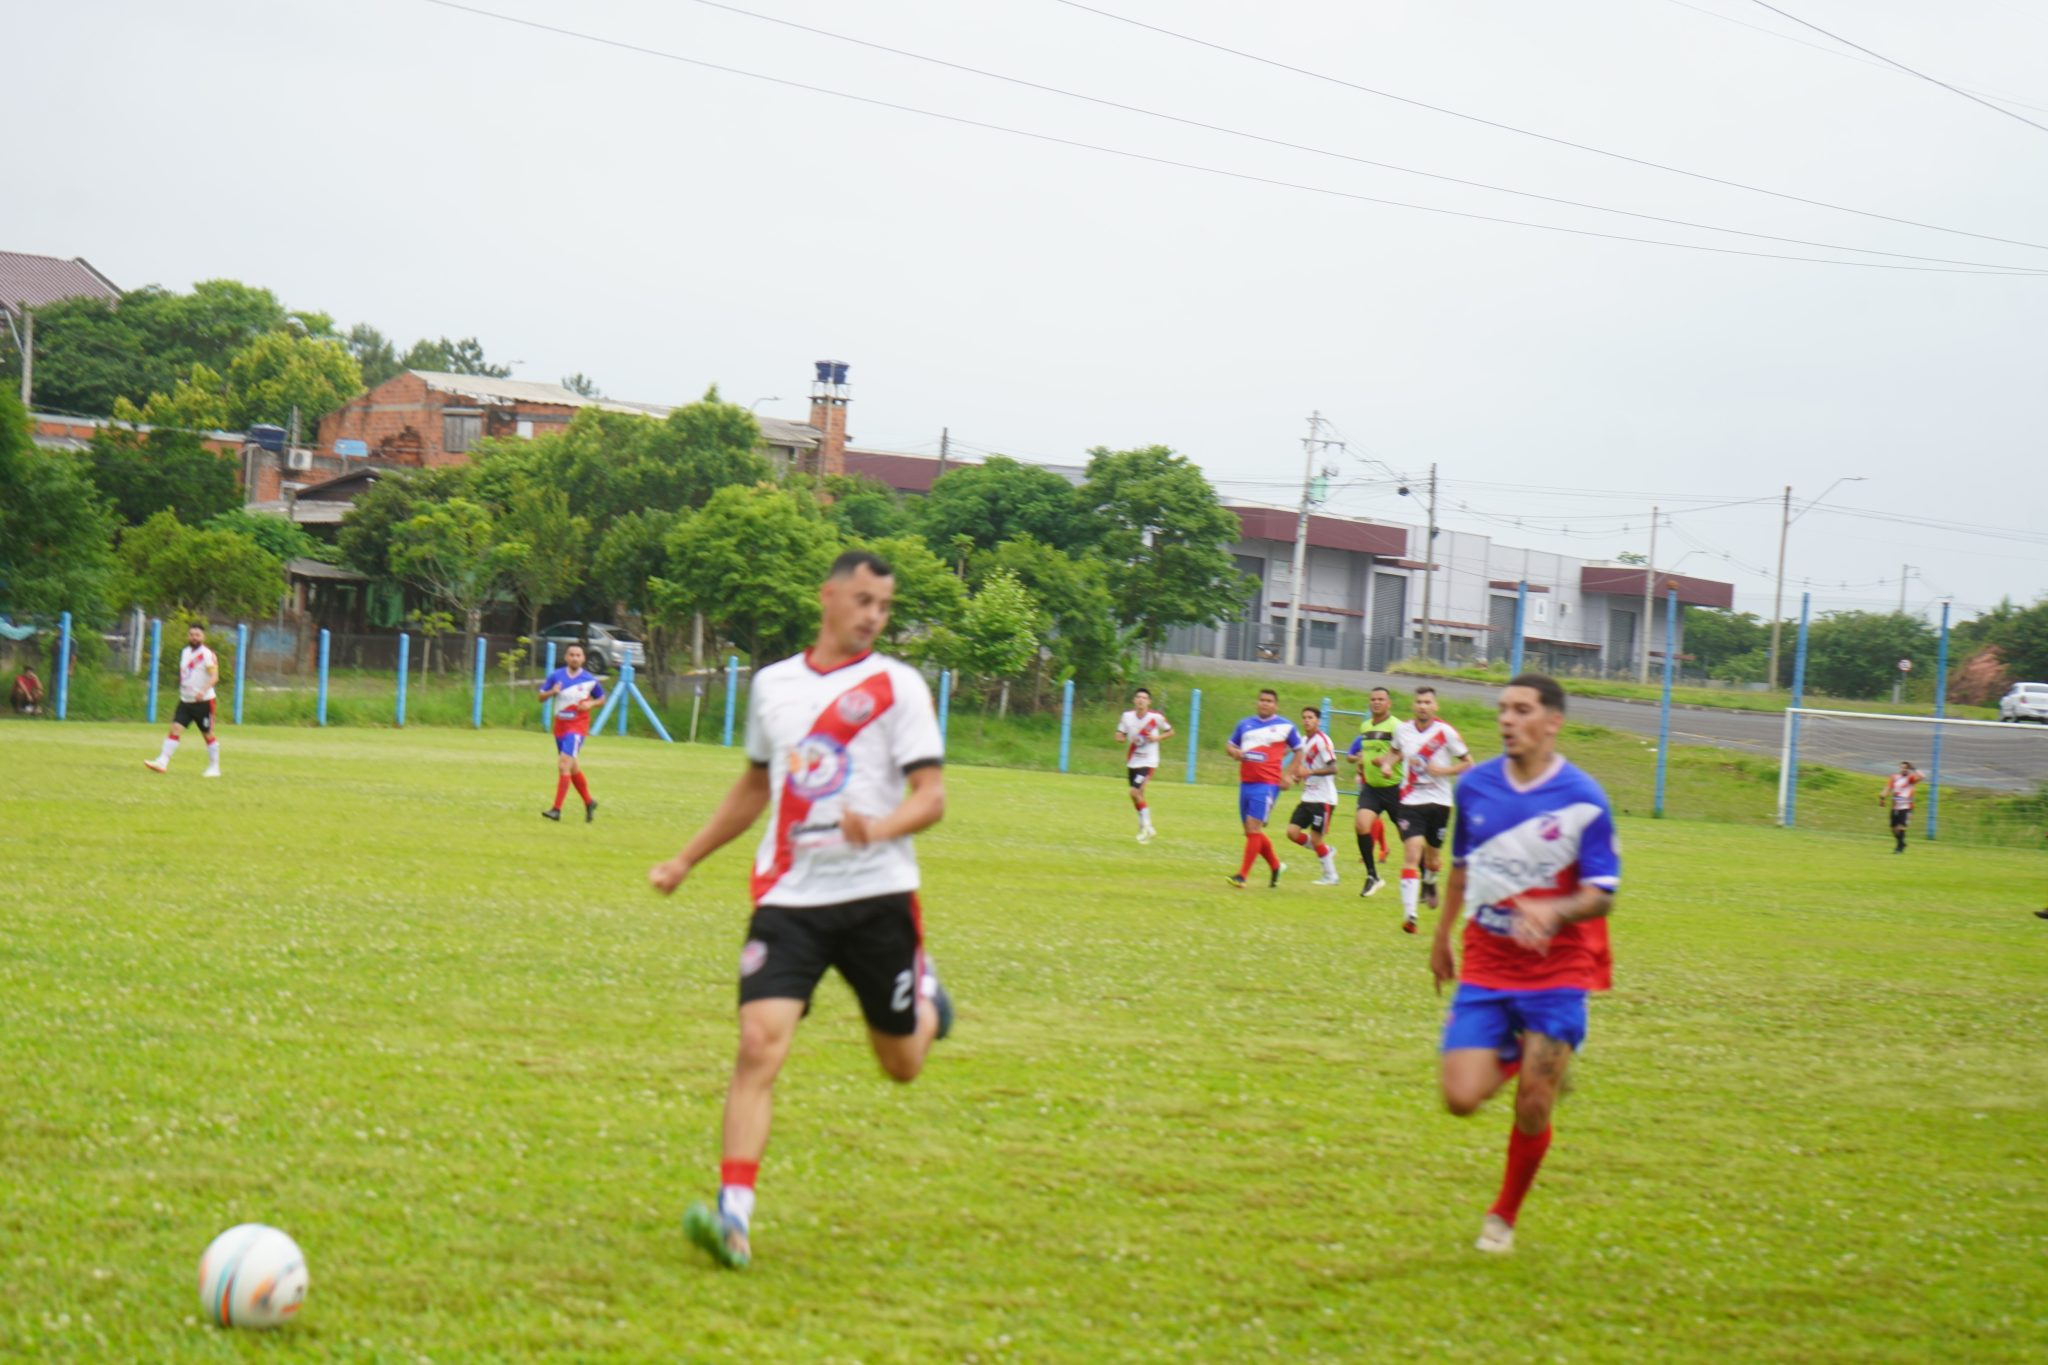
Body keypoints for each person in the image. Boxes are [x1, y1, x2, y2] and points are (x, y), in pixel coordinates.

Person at [647, 550, 954, 1271]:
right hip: (789, 898)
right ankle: (734, 1215)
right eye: (863, 600)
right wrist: (686, 858)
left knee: (903, 1063)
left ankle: (930, 994)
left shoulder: (898, 686)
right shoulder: (774, 686)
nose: (873, 615)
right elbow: (756, 785)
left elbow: (931, 797)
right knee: (758, 1042)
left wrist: (875, 828)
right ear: (828, 596)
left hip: (878, 897)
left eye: (884, 605)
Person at [1431, 673, 1620, 1254]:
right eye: (1502, 710)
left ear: (1552, 721)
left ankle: (1503, 1216)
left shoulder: (1584, 799)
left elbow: (1603, 891)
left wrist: (1555, 910)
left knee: (1535, 1102)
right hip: (1487, 964)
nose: (1507, 720)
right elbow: (1463, 867)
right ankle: (1529, 1052)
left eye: (1521, 709)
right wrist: (1441, 937)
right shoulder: (1476, 787)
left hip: (1557, 971)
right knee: (1460, 1099)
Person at [1377, 686, 1473, 932]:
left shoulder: (1446, 733)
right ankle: (1410, 916)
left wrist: (1443, 771)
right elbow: (1394, 753)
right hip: (1410, 801)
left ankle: (1430, 881)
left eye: (1427, 702)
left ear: (1435, 706)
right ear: (1413, 705)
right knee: (1412, 853)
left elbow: (1467, 763)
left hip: (1439, 803)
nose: (1422, 706)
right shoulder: (1403, 730)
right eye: (1419, 702)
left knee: (1433, 859)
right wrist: (1388, 765)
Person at [1224, 688, 1301, 888]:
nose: (1265, 703)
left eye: (1269, 701)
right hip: (1246, 783)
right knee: (1251, 832)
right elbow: (1229, 745)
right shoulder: (1245, 724)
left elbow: (1299, 750)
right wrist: (1234, 752)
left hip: (1267, 784)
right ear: (1257, 703)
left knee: (1253, 827)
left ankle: (1242, 876)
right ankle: (1275, 866)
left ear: (1276, 705)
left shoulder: (1285, 726)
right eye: (1262, 700)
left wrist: (1289, 774)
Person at [1345, 686, 1403, 899]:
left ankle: (1425, 876)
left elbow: (1405, 751)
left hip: (1394, 787)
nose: (1376, 702)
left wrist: (1388, 762)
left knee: (1408, 836)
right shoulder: (1365, 726)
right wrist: (1362, 764)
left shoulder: (1397, 726)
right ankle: (1372, 876)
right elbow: (1366, 753)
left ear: (1389, 703)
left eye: (1381, 699)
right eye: (1373, 699)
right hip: (1371, 788)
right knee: (1361, 825)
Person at [537, 644, 604, 822]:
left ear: (583, 659)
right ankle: (589, 802)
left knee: (563, 764)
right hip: (560, 726)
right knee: (572, 767)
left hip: (577, 727)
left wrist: (590, 704)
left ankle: (556, 810)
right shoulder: (556, 676)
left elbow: (601, 698)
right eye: (572, 655)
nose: (575, 658)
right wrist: (553, 691)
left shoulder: (589, 679)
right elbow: (540, 697)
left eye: (578, 655)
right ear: (566, 657)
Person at [143, 625, 222, 777]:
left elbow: (214, 677)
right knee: (175, 728)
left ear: (203, 637)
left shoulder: (207, 654)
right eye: (191, 634)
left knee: (207, 734)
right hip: (186, 700)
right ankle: (162, 762)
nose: (194, 637)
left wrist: (203, 690)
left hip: (204, 702)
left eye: (197, 635)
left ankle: (214, 767)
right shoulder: (185, 652)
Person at [1284, 706, 1343, 884]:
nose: (1307, 720)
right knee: (1292, 832)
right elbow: (1302, 768)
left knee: (1316, 839)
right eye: (1304, 717)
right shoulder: (1303, 741)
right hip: (1307, 797)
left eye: (1311, 717)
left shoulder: (1322, 741)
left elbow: (1334, 768)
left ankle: (1331, 876)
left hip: (1323, 799)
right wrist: (1295, 776)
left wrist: (1309, 772)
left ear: (1318, 721)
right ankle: (1325, 850)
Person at [1114, 686, 1173, 843]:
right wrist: (1119, 737)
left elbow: (1170, 731)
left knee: (1134, 792)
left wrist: (1157, 738)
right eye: (1138, 697)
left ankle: (1148, 826)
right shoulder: (1126, 716)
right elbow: (1119, 733)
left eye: (1144, 698)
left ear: (1149, 702)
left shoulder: (1156, 717)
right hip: (1133, 761)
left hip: (1149, 761)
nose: (1141, 700)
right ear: (1134, 700)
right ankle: (1143, 826)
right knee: (1138, 796)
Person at [1880, 761, 1923, 854]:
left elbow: (1922, 777)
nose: (1904, 769)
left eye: (1906, 768)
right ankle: (1902, 843)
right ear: (1900, 768)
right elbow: (1888, 787)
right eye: (1902, 767)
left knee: (1901, 827)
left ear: (1908, 769)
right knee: (1893, 829)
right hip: (1895, 806)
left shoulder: (1910, 778)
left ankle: (1899, 848)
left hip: (1906, 806)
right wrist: (1882, 797)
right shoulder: (1894, 777)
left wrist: (1914, 769)